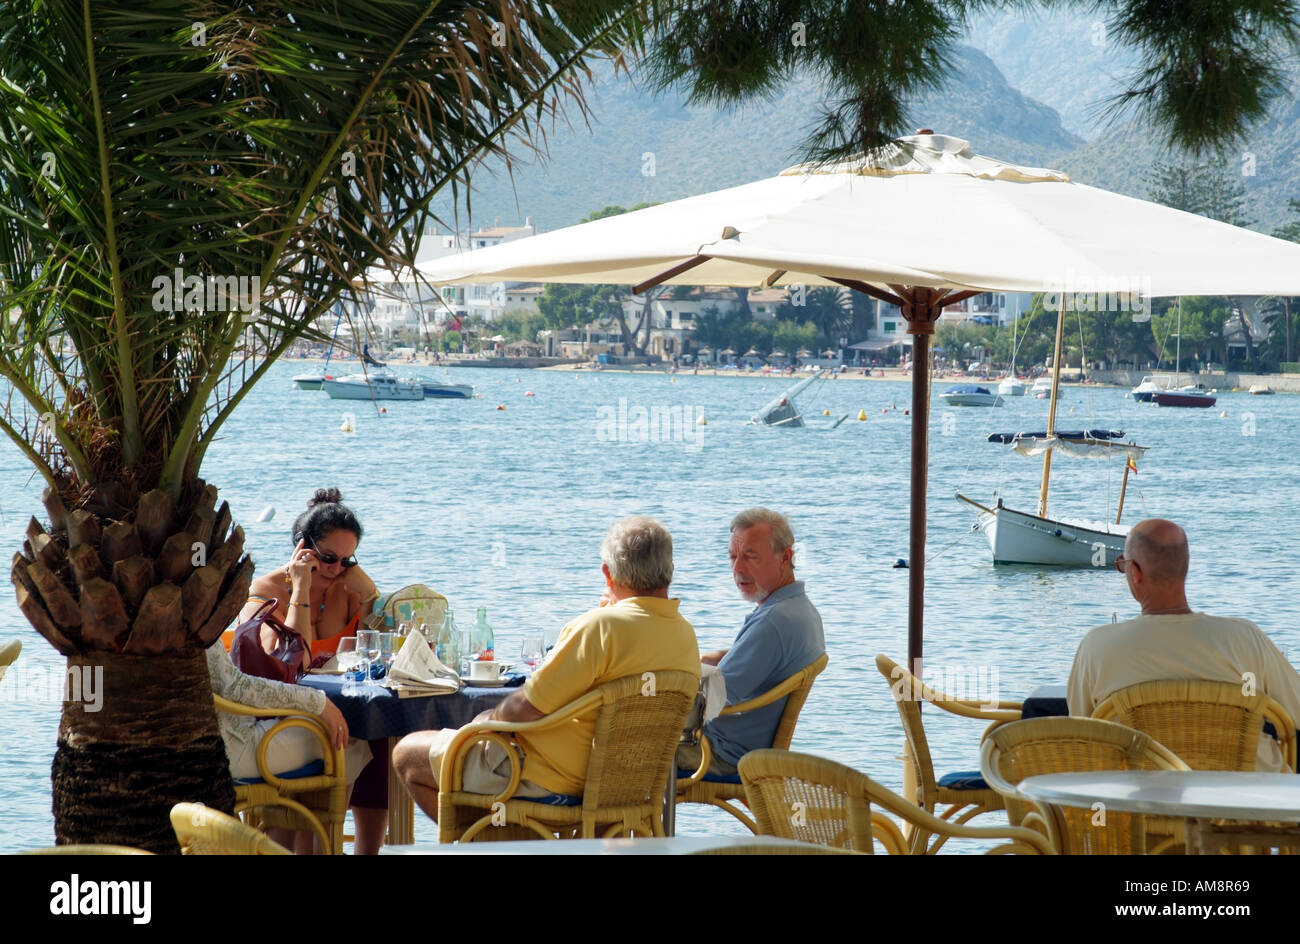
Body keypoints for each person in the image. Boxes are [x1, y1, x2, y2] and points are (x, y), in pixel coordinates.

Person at [393, 516, 700, 819]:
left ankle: (479, 840)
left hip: (545, 778)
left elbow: (526, 708)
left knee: (406, 753)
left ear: (607, 573)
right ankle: (499, 837)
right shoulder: (684, 633)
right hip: (627, 785)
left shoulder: (599, 628)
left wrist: (487, 720)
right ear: (669, 571)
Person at [1067, 518, 1300, 772]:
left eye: (1122, 565)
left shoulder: (1097, 647)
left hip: (1136, 795)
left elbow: (1082, 735)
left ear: (1134, 571)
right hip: (1250, 794)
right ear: (1185, 569)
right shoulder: (1246, 639)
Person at [236, 488, 387, 853]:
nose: (337, 569)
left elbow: (379, 651)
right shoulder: (265, 592)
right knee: (344, 739)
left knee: (381, 734)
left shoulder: (347, 590)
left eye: (348, 561)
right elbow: (293, 661)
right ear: (303, 549)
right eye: (329, 558)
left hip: (334, 707)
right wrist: (301, 588)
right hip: (281, 711)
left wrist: (370, 593)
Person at [678, 508, 825, 777]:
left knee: (616, 745)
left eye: (750, 556)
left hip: (718, 753)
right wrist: (714, 661)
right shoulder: (800, 609)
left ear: (786, 557)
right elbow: (764, 664)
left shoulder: (774, 621)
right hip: (746, 749)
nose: (738, 569)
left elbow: (713, 698)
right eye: (733, 557)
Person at [207, 641, 368, 854]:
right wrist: (316, 701)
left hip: (212, 745)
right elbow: (237, 688)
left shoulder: (172, 627)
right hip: (231, 749)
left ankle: (291, 846)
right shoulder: (195, 627)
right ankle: (321, 849)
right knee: (349, 737)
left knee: (321, 730)